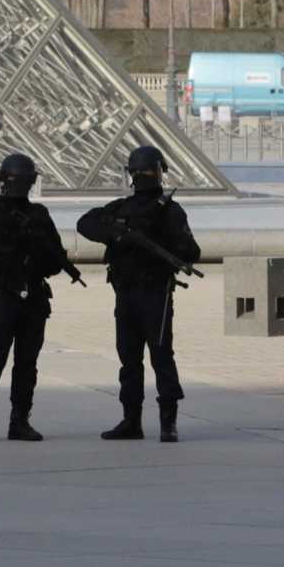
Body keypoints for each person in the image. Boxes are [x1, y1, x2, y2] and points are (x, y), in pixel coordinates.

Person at [0, 152, 83, 443]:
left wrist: (41, 252)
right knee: (1, 361)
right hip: (5, 297)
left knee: (19, 362)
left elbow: (53, 261)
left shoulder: (33, 216)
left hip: (27, 298)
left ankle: (5, 421)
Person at [77, 142, 201, 442]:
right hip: (141, 294)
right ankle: (149, 423)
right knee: (150, 357)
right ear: (161, 172)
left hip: (145, 293)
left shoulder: (156, 211)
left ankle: (145, 421)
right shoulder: (137, 210)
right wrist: (119, 233)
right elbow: (87, 224)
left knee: (139, 359)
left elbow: (188, 252)